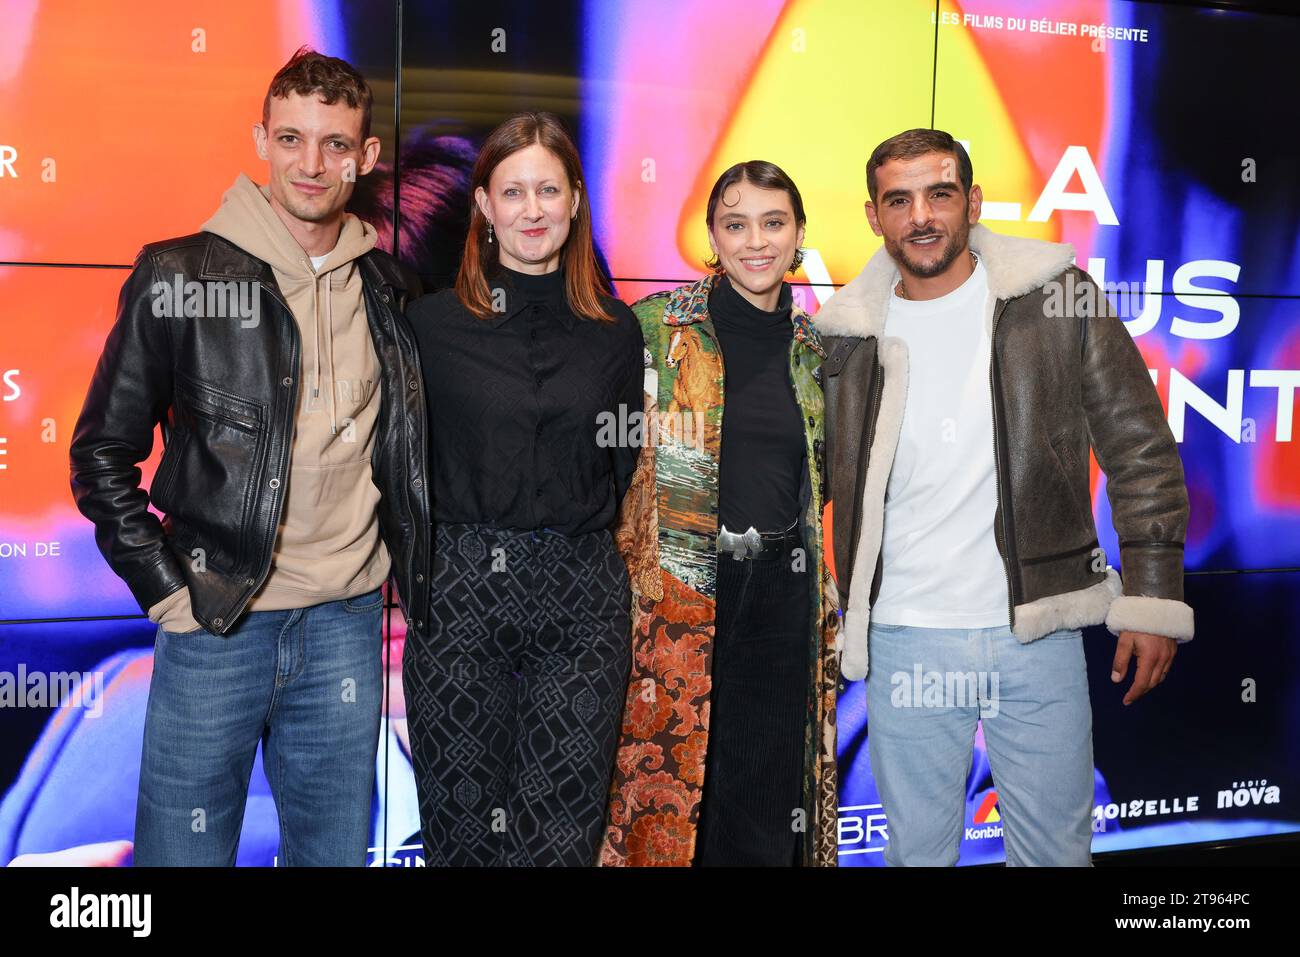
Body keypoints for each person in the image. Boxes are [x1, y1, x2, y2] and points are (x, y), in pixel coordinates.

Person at [67, 47, 429, 866]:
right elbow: (100, 454)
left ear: (366, 158)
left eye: (336, 144)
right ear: (260, 139)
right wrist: (169, 595)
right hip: (216, 617)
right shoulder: (179, 274)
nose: (312, 163)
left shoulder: (389, 289)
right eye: (292, 138)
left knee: (332, 855)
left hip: (345, 623)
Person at [817, 128, 1193, 866]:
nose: (921, 215)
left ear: (973, 202)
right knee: (917, 856)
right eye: (900, 199)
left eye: (940, 193)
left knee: (1055, 856)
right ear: (873, 216)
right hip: (903, 639)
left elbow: (1139, 447)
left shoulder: (1055, 297)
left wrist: (1152, 595)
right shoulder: (844, 337)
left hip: (1036, 632)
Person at [404, 111, 643, 866]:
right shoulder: (429, 328)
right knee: (463, 836)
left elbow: (624, 463)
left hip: (582, 601)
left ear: (575, 200)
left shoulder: (614, 329)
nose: (532, 209)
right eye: (513, 191)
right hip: (461, 594)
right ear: (483, 206)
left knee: (561, 842)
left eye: (548, 189)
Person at [599, 161, 840, 867]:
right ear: (712, 235)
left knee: (764, 803)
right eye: (736, 224)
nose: (755, 241)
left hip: (781, 593)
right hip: (675, 601)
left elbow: (821, 484)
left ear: (798, 236)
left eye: (774, 223)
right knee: (667, 800)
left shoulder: (814, 351)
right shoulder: (652, 329)